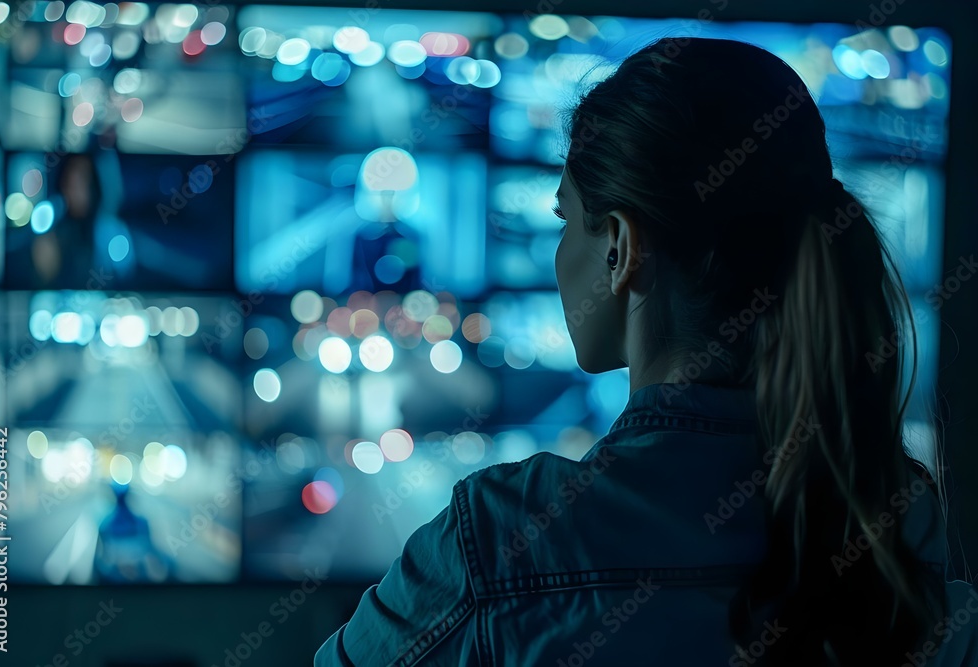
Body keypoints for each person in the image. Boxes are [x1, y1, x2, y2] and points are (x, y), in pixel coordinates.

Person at [314, 37, 977, 666]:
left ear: (620, 248)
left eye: (564, 219)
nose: (557, 253)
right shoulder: (903, 531)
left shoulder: (492, 542)